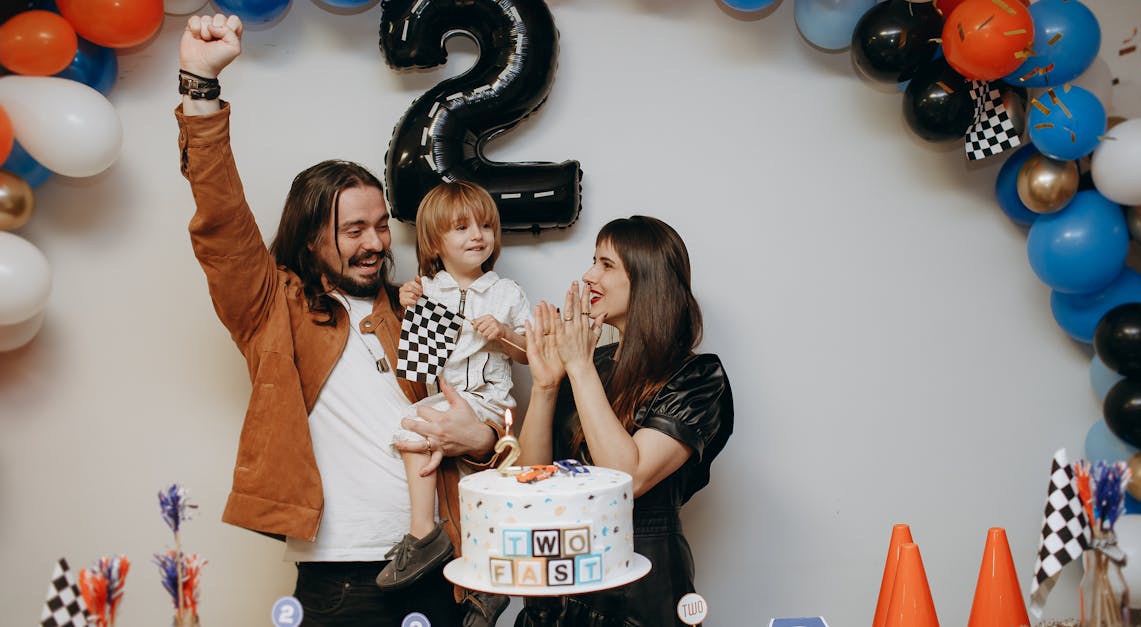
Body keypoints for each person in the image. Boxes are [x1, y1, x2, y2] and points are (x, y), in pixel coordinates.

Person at [175, 14, 505, 626]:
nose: (376, 241)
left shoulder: (414, 309)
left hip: (447, 569)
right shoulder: (272, 308)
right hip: (343, 580)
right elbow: (221, 219)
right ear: (310, 237)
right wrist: (200, 87)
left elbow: (464, 412)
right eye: (354, 229)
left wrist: (481, 438)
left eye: (381, 225)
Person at [514, 216, 734, 626]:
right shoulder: (592, 365)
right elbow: (531, 477)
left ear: (648, 280)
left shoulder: (697, 377)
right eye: (592, 261)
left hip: (639, 585)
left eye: (606, 264)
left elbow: (627, 479)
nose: (588, 276)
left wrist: (577, 368)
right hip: (563, 573)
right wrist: (545, 386)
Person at [376, 180, 531, 591]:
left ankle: (424, 534)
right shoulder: (428, 289)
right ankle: (442, 546)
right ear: (434, 242)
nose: (477, 235)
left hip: (488, 404)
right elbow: (417, 356)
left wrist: (503, 334)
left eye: (484, 225)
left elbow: (531, 354)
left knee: (470, 483)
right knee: (415, 435)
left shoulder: (506, 293)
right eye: (461, 228)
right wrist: (409, 301)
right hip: (445, 399)